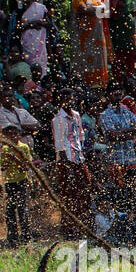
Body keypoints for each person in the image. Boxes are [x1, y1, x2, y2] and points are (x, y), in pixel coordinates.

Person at [52, 89, 90, 234]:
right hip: (67, 160)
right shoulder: (58, 119)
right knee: (69, 194)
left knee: (83, 191)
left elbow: (80, 136)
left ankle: (83, 225)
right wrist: (65, 166)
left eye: (71, 98)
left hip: (78, 158)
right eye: (65, 98)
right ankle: (68, 228)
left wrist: (83, 157)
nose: (69, 101)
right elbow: (59, 145)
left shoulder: (76, 116)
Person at [72, 0, 113, 88]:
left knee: (99, 59)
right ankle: (87, 85)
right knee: (87, 60)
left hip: (98, 35)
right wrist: (96, 10)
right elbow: (84, 9)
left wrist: (92, 10)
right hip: (85, 36)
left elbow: (105, 11)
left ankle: (101, 85)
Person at [0, 124, 33, 245]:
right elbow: (3, 167)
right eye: (10, 134)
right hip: (9, 182)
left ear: (19, 135)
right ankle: (12, 237)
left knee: (22, 209)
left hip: (22, 181)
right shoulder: (5, 149)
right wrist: (8, 160)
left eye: (15, 134)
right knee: (10, 210)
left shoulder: (24, 147)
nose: (13, 136)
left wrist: (16, 159)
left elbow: (26, 167)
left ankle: (26, 236)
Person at [15, 0, 49, 75]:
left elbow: (48, 24)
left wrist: (39, 23)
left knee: (40, 63)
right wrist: (30, 25)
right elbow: (18, 28)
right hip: (27, 43)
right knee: (29, 64)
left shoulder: (40, 8)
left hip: (39, 42)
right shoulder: (20, 11)